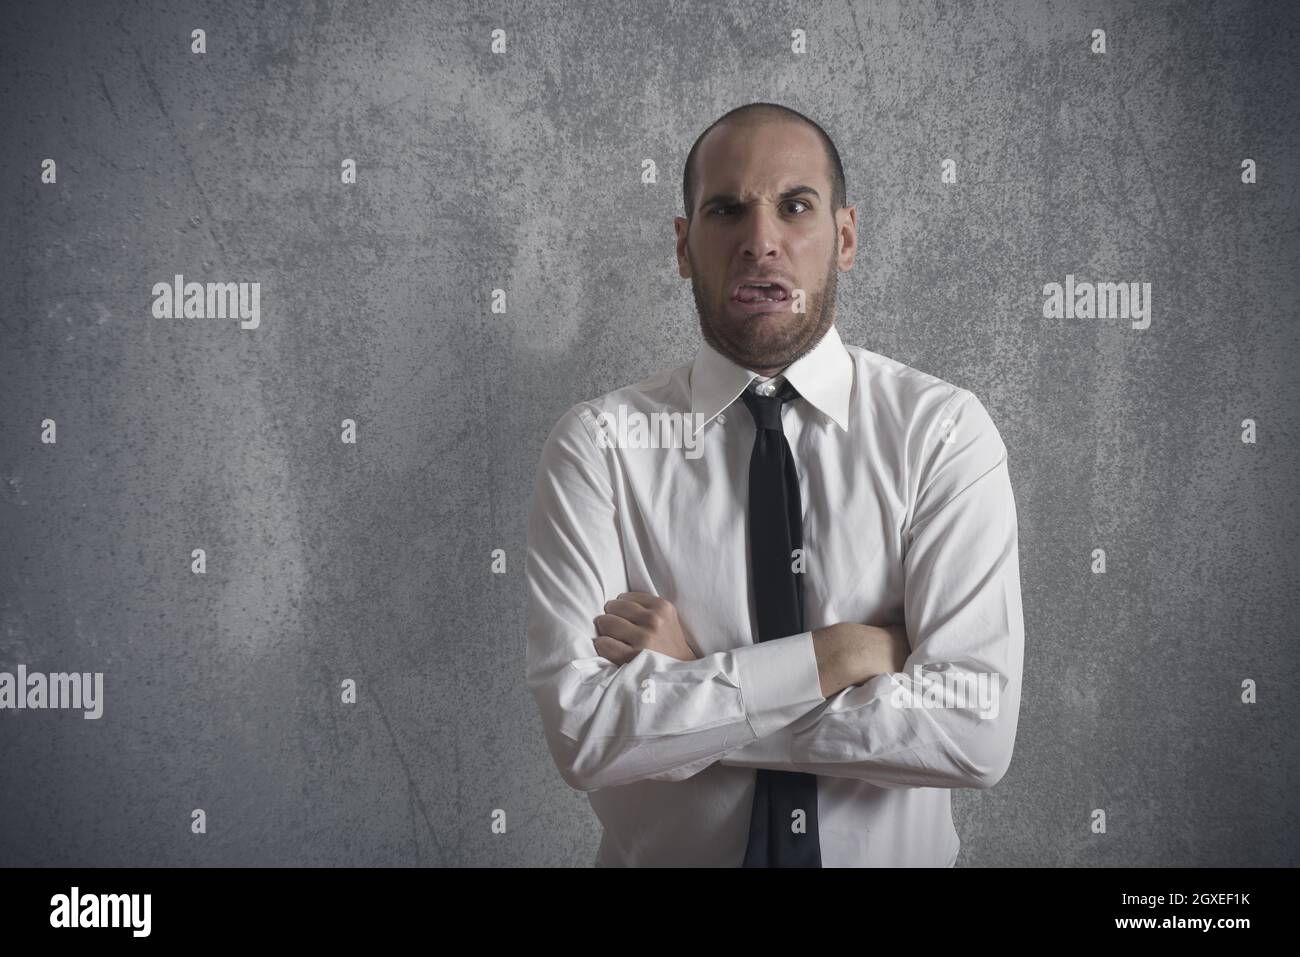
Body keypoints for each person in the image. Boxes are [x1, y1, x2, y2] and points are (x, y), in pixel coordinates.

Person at [524, 102, 1024, 867]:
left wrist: (694, 689)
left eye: (795, 206)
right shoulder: (600, 446)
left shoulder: (943, 433)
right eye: (727, 210)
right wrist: (837, 654)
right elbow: (586, 737)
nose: (761, 242)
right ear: (685, 247)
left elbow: (972, 734)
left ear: (845, 237)